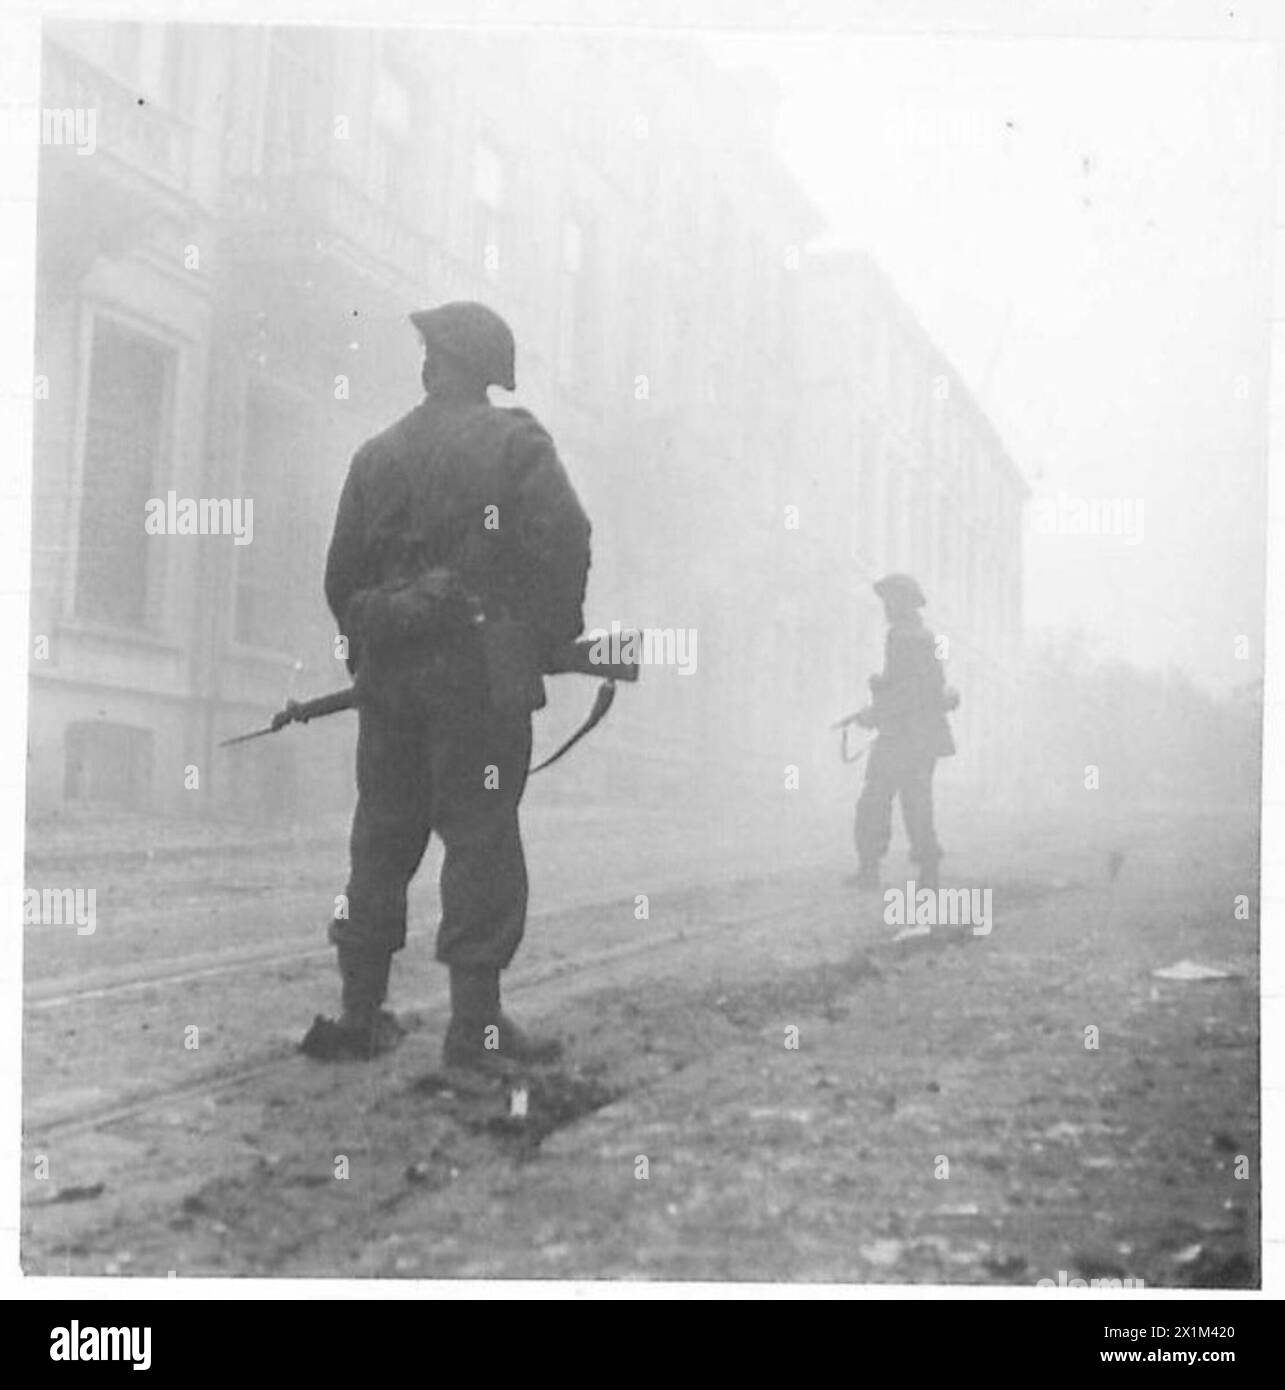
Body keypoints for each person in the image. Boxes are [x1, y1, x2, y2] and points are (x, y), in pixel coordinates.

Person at [301, 301, 592, 1068]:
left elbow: (341, 579)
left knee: (380, 839)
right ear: (492, 372)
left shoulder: (375, 454)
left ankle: (359, 1014)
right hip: (478, 684)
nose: (424, 362)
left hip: (392, 683)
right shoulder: (516, 441)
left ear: (437, 365)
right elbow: (566, 539)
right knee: (480, 837)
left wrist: (378, 651)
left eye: (430, 352)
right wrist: (543, 636)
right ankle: (475, 1030)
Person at [852, 573, 958, 891]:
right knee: (916, 804)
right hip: (919, 736)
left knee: (875, 801)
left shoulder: (905, 638)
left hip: (904, 736)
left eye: (891, 599)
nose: (886, 605)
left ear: (906, 602)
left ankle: (870, 870)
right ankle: (928, 874)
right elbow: (928, 686)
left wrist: (874, 712)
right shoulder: (922, 636)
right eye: (885, 599)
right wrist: (882, 688)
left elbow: (911, 692)